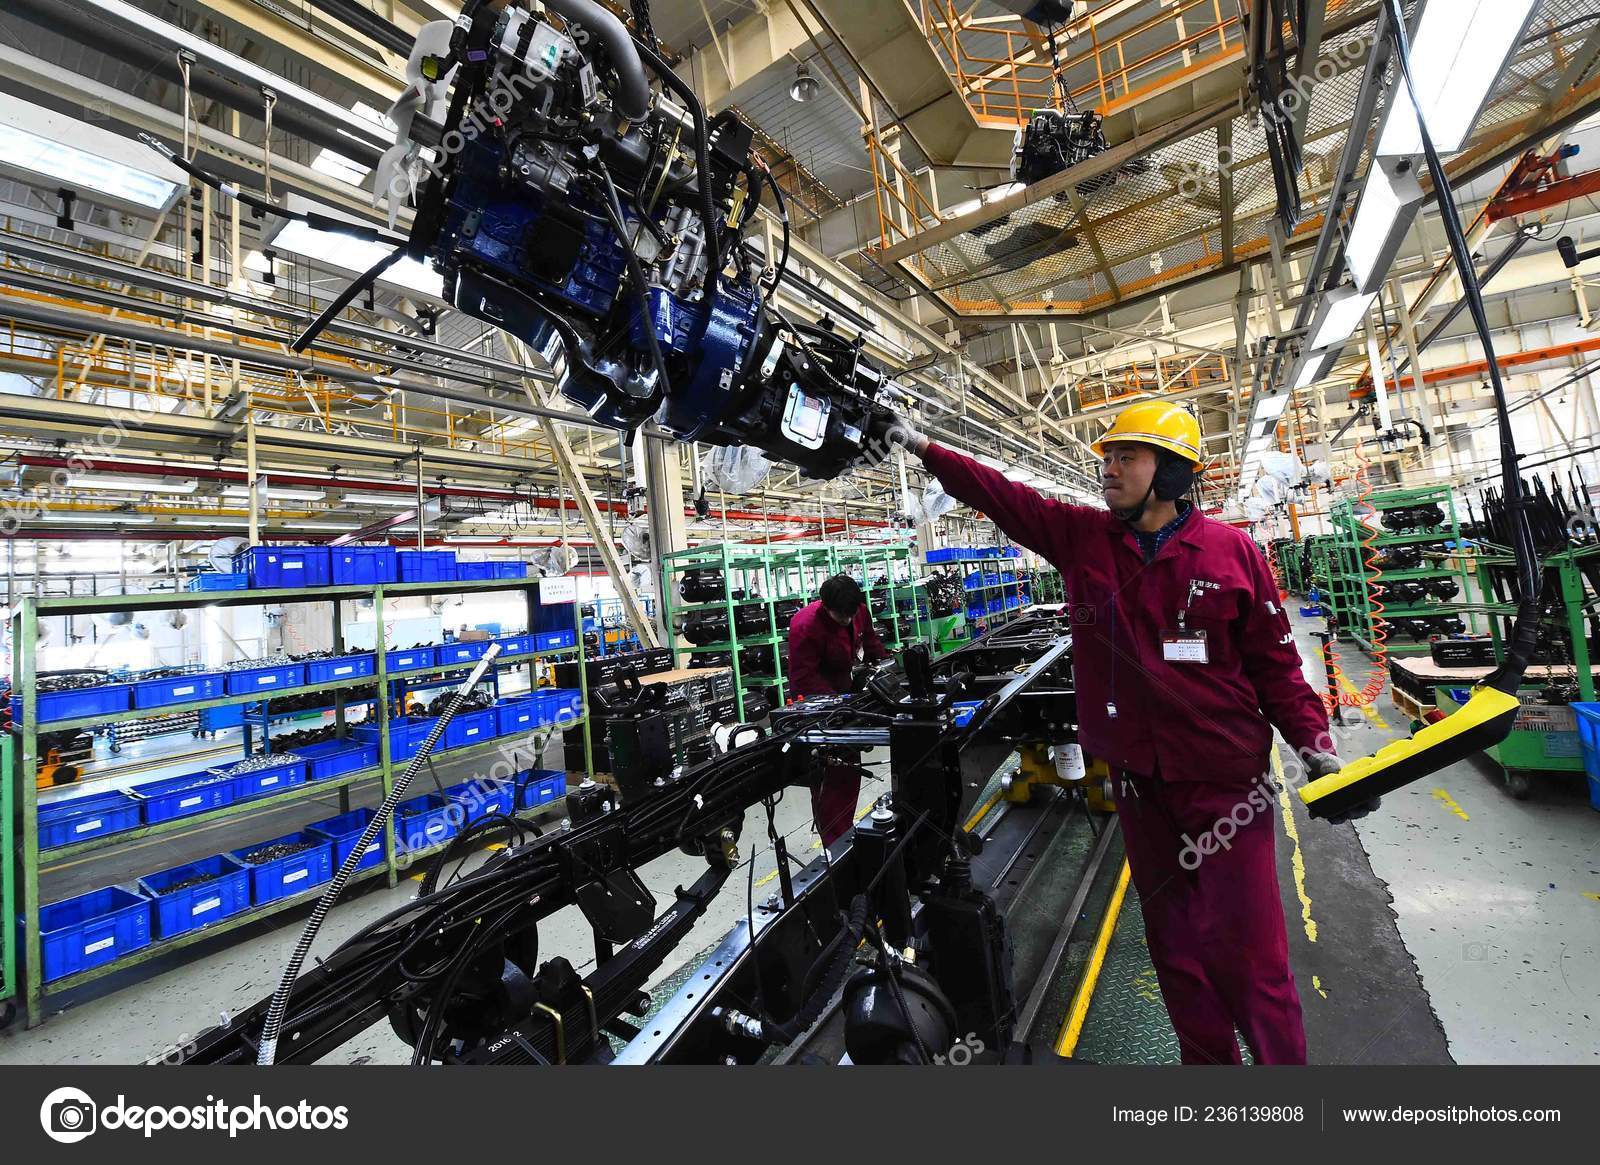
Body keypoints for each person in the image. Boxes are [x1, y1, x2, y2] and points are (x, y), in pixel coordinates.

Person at [878, 400, 1370, 1066]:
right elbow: (1003, 497)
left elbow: (1278, 666)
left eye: (1125, 457)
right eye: (1106, 457)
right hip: (1141, 790)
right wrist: (924, 447)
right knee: (1178, 956)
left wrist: (1316, 748)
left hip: (1226, 788)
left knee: (1251, 957)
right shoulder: (1084, 538)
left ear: (1170, 473)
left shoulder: (1232, 553)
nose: (1107, 468)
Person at [786, 574, 892, 846]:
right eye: (840, 615)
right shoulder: (804, 626)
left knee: (849, 773)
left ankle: (846, 832)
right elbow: (803, 679)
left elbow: (870, 645)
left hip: (848, 700)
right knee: (828, 779)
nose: (846, 620)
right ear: (825, 605)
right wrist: (839, 705)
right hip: (820, 708)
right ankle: (835, 843)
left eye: (850, 614)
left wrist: (885, 670)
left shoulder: (858, 612)